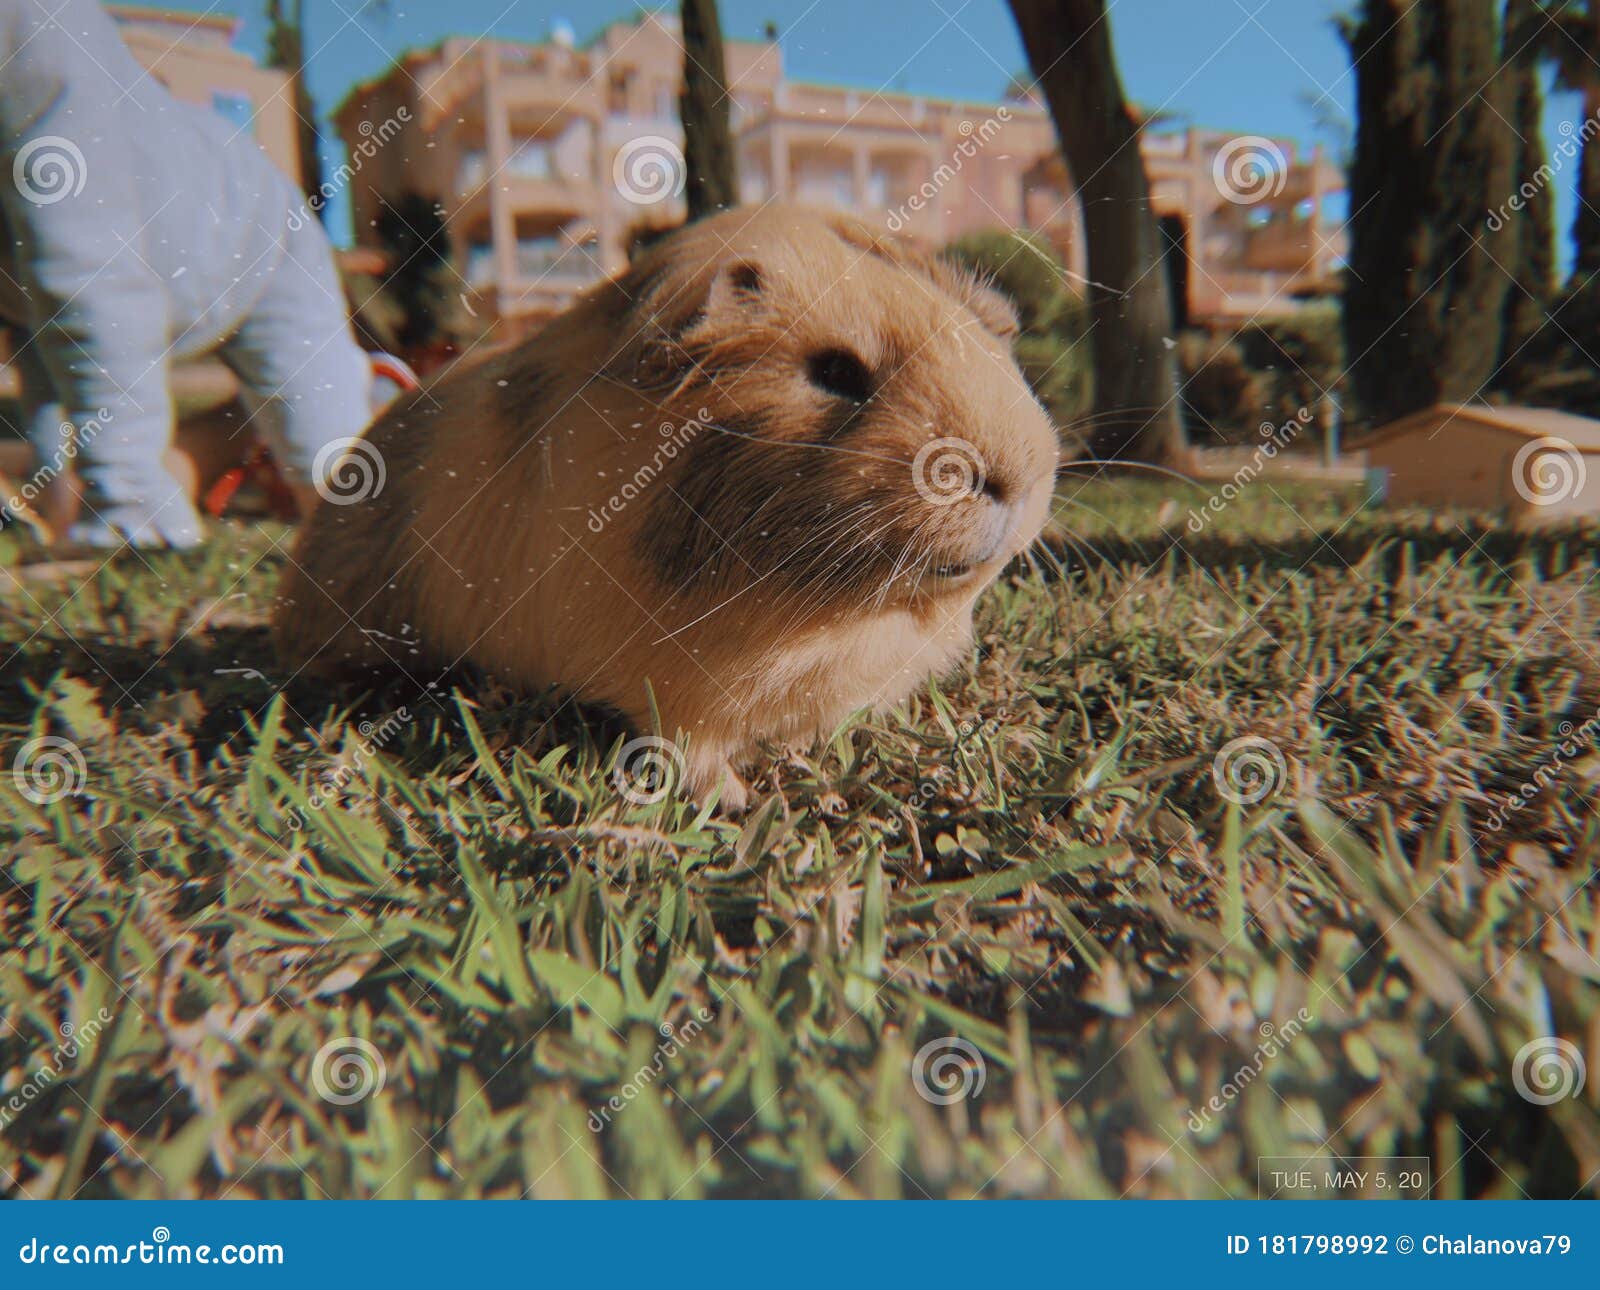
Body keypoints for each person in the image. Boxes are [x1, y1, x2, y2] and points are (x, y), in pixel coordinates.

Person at [0, 0, 373, 548]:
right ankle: (76, 525)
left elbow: (95, 279)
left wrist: (125, 494)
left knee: (332, 461)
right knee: (52, 407)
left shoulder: (42, 43)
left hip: (258, 242)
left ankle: (141, 515)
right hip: (34, 293)